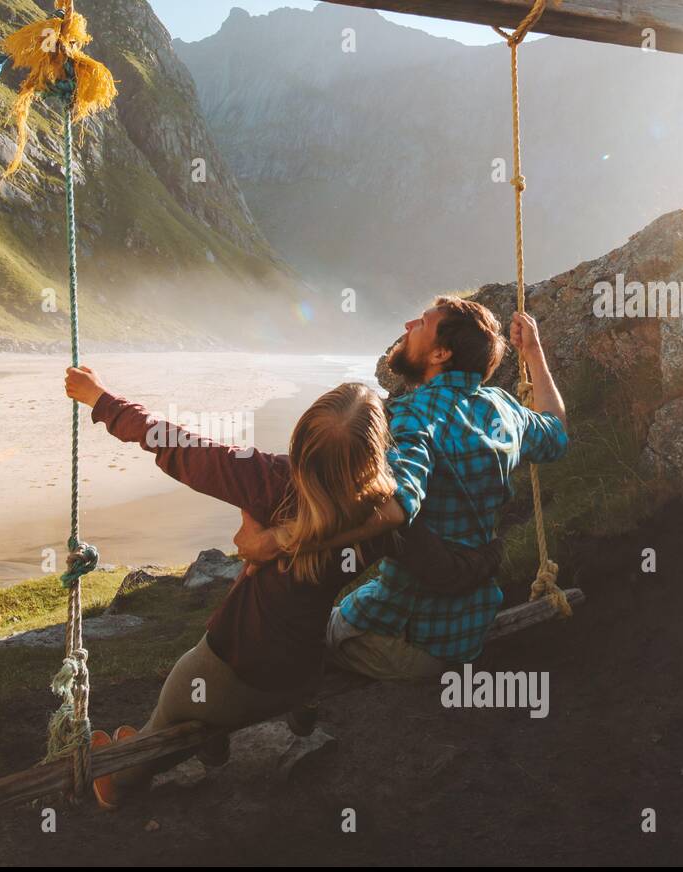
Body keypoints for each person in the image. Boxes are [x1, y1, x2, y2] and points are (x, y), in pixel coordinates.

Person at [63, 366, 499, 807]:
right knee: (252, 676)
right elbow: (445, 570)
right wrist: (490, 554)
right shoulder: (382, 512)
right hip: (302, 676)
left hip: (229, 672)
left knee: (170, 715)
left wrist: (102, 401)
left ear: (302, 438)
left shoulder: (268, 479)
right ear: (375, 451)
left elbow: (174, 443)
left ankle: (121, 784)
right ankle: (259, 728)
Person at [236, 300, 569, 682]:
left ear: (440, 353)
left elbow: (397, 508)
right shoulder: (502, 409)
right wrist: (534, 352)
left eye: (421, 324)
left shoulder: (413, 416)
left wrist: (278, 542)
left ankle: (287, 694)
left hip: (412, 640)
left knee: (312, 632)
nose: (408, 324)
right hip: (468, 630)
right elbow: (556, 433)